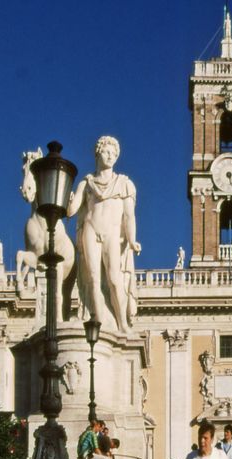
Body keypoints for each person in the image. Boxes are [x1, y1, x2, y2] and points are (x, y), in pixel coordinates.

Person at [67, 135, 142, 333]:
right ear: (98, 153)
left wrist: (132, 240)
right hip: (91, 230)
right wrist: (66, 197)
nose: (110, 156)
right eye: (107, 152)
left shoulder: (124, 183)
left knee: (114, 279)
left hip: (112, 233)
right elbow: (71, 211)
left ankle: (122, 323)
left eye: (114, 153)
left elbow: (129, 216)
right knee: (92, 277)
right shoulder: (87, 182)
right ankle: (98, 321)